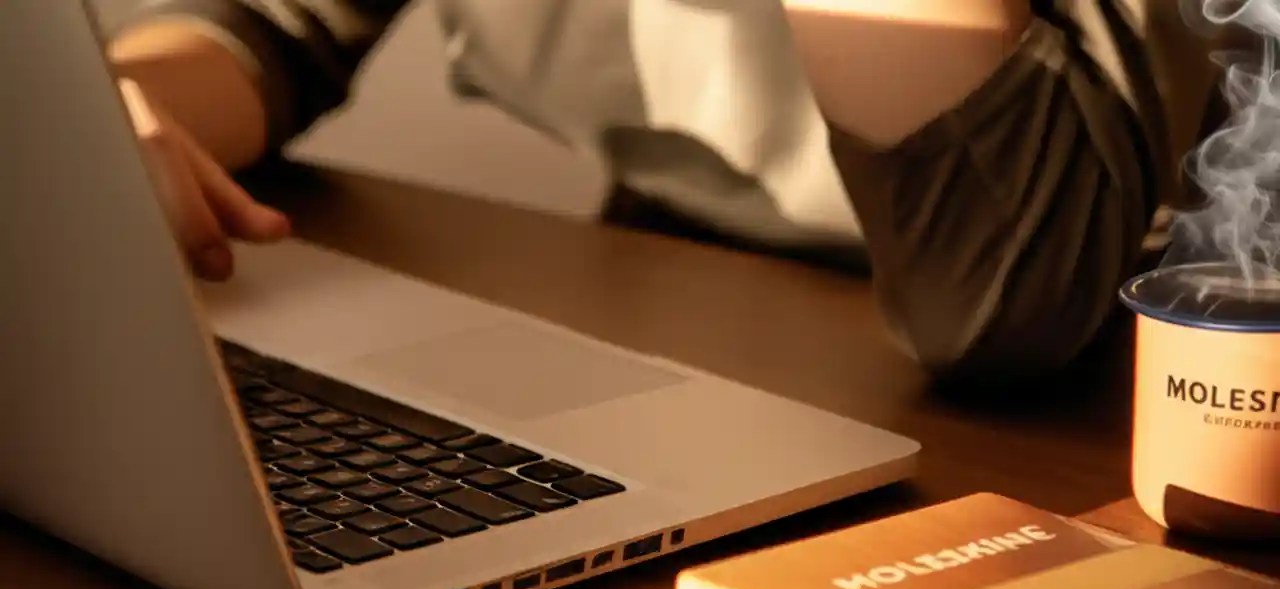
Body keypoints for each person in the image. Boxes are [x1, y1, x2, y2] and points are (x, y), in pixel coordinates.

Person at [107, 0, 1231, 383]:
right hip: (694, 340)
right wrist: (122, 110)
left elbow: (999, 294)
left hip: (1142, 414)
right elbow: (270, 25)